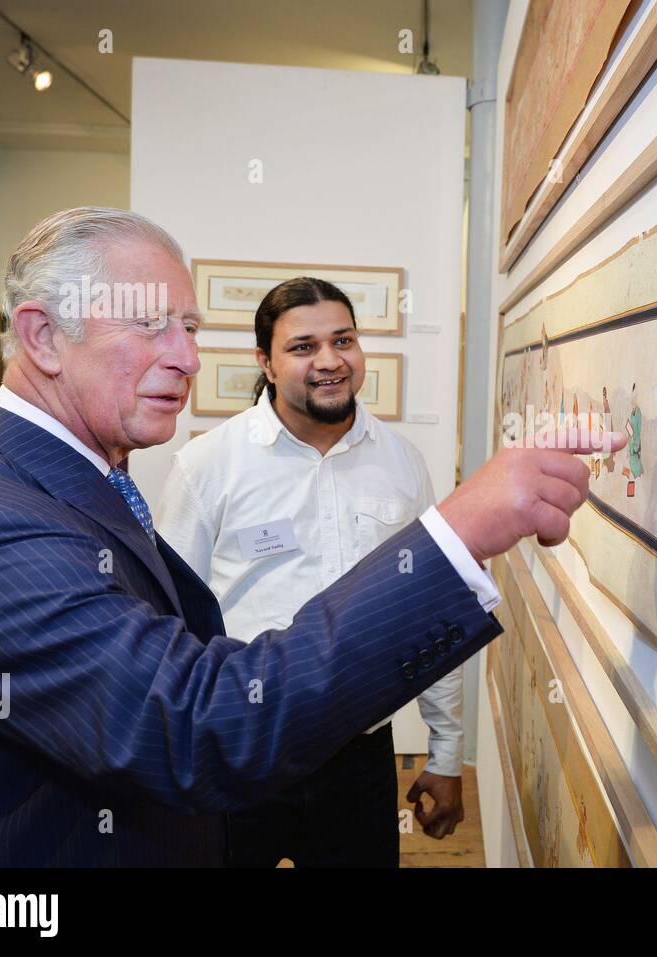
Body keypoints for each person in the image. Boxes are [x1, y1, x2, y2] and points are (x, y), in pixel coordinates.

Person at [0, 207, 622, 866]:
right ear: (42, 337)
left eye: (189, 327)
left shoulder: (74, 478)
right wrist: (458, 531)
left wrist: (443, 745)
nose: (186, 357)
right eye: (152, 325)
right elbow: (195, 722)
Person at [156, 277, 467, 866]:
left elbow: (434, 610)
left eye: (343, 340)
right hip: (240, 751)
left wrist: (446, 753)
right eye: (302, 347)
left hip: (360, 759)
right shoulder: (208, 465)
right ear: (266, 363)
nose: (329, 361)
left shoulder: (402, 464)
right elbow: (168, 623)